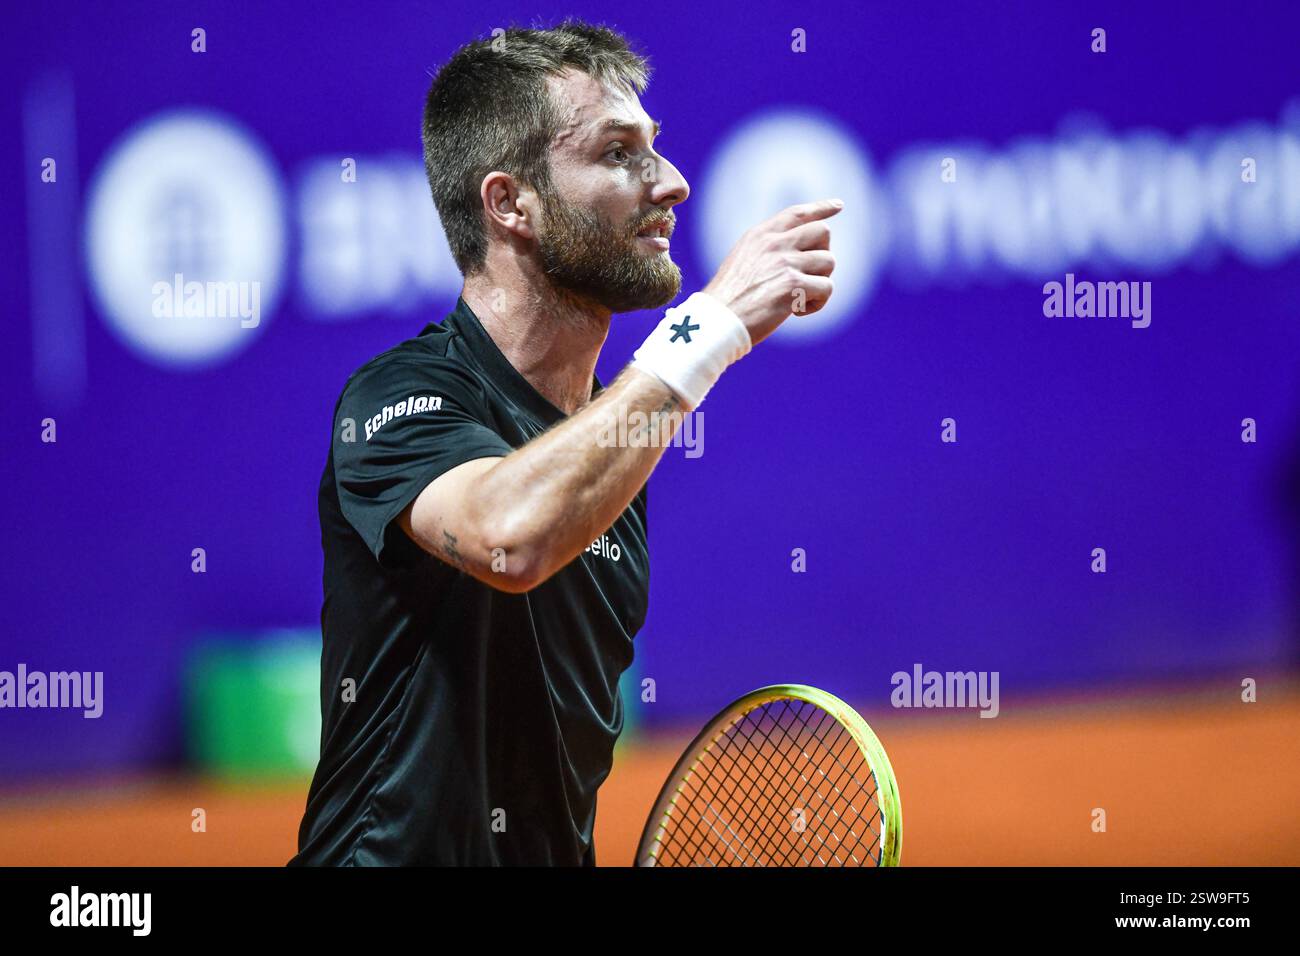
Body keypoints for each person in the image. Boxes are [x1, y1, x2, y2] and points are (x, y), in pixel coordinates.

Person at [290, 17, 839, 866]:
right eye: (619, 152)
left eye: (654, 146)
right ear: (512, 204)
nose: (674, 184)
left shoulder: (608, 454)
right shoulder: (396, 398)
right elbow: (510, 537)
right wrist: (709, 330)